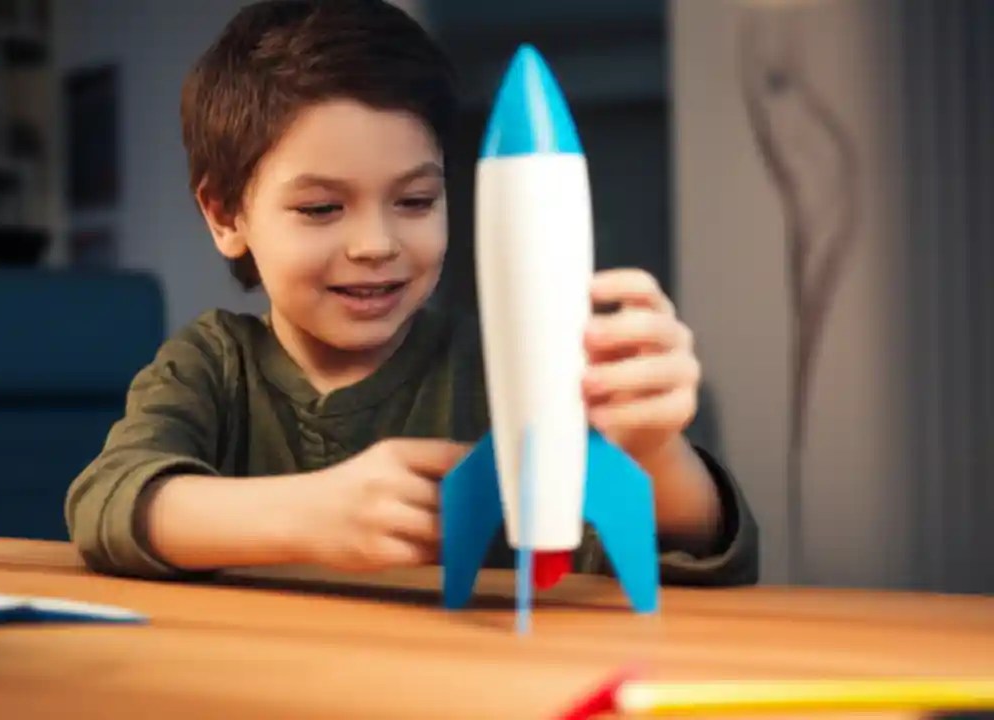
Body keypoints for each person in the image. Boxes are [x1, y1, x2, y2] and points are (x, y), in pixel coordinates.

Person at [66, 0, 759, 585]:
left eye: (416, 200)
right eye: (321, 208)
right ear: (226, 216)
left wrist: (655, 452)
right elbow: (109, 504)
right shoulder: (210, 367)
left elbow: (693, 560)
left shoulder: (505, 371)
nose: (376, 244)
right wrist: (310, 515)